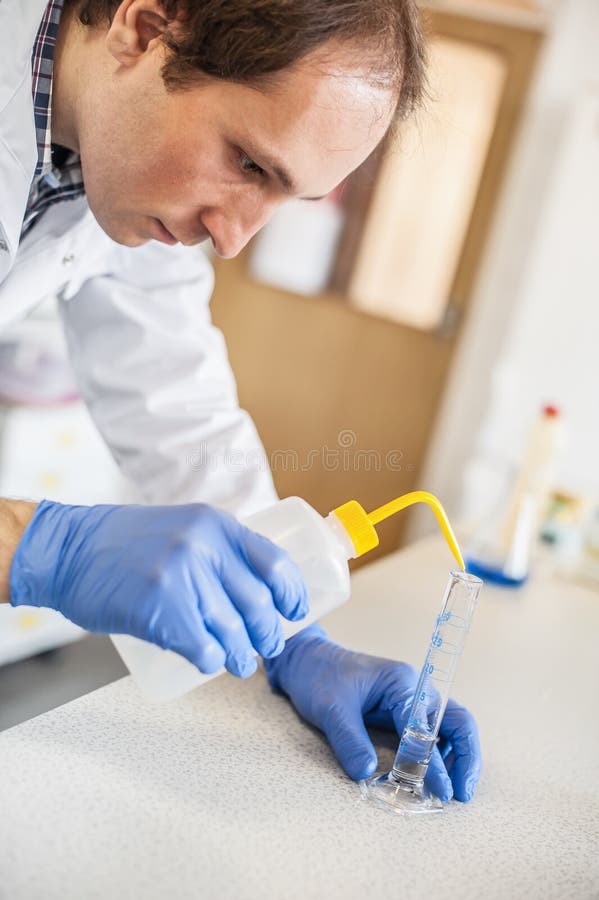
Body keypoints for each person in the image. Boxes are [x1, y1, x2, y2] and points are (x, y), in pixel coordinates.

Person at [0, 0, 481, 802]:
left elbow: (177, 403)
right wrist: (37, 548)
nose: (233, 239)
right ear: (147, 28)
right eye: (250, 164)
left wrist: (290, 634)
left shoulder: (118, 155)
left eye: (284, 196)